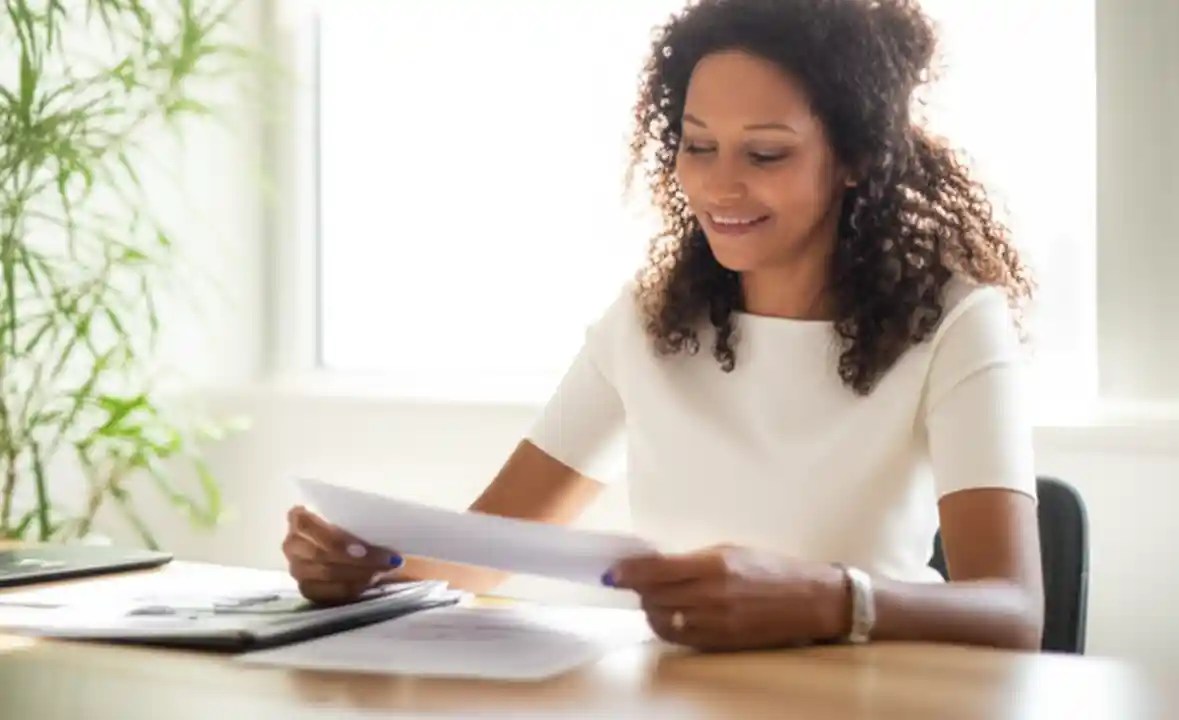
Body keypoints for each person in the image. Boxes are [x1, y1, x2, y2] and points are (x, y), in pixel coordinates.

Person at [282, 0, 1044, 652]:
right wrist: (365, 568)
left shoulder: (954, 321)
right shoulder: (649, 320)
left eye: (766, 153)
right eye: (698, 145)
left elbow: (1013, 612)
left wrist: (827, 598)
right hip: (677, 695)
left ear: (856, 159)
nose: (719, 183)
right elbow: (482, 554)